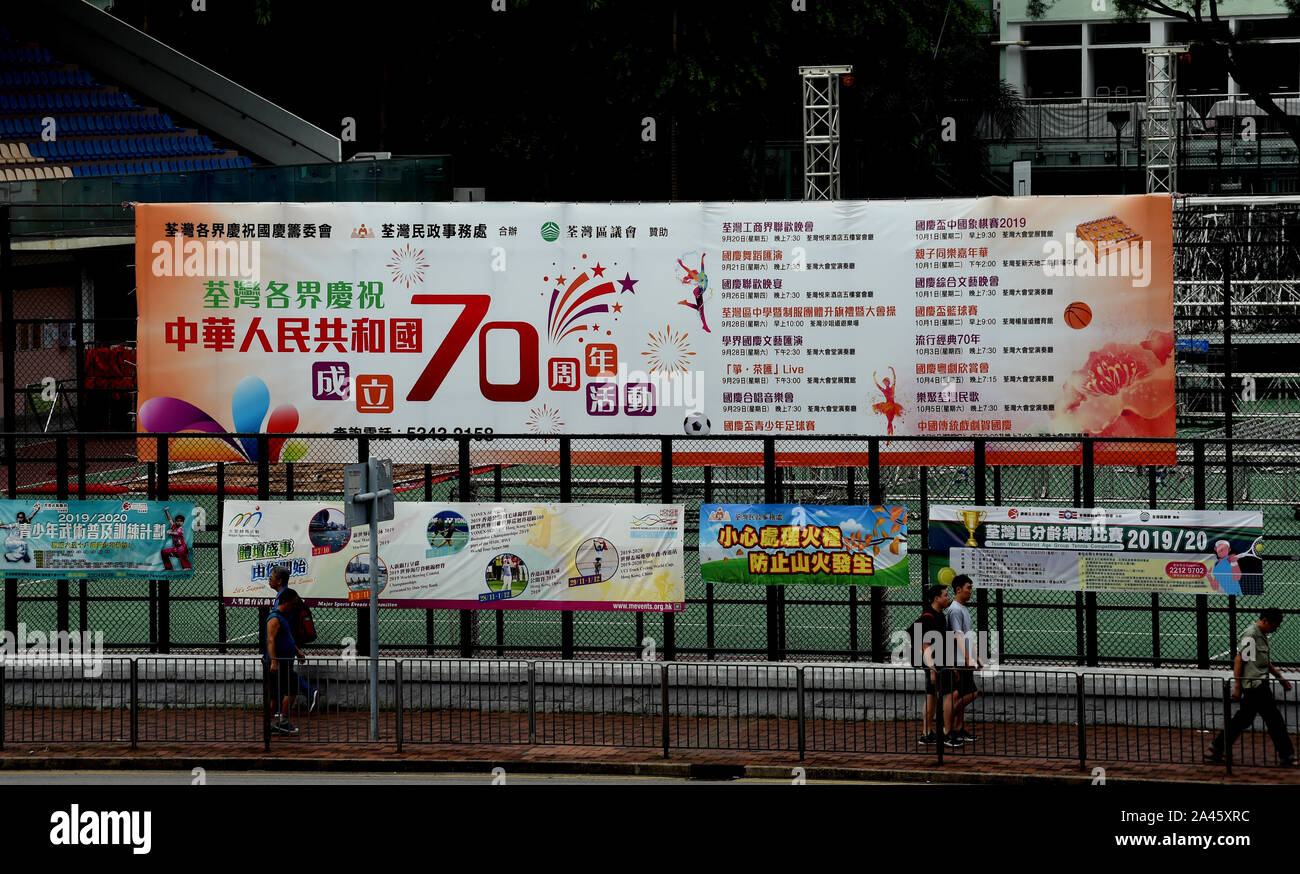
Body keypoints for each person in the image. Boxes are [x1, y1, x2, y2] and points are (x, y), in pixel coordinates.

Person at [1206, 608, 1297, 766]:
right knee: (1274, 720)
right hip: (1255, 686)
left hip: (1257, 684)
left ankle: (1218, 746)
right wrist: (1237, 687)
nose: (1274, 629)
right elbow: (1239, 660)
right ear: (1265, 620)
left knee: (1243, 719)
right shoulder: (1251, 635)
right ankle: (1287, 755)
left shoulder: (1261, 635)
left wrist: (1279, 677)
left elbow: (1263, 661)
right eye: (1274, 625)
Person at [267, 565, 321, 714]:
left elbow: (284, 629)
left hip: (283, 647)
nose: (269, 580)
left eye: (271, 577)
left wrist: (293, 649)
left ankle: (307, 693)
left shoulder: (285, 600)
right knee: (285, 677)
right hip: (287, 645)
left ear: (279, 581)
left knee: (285, 678)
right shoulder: (286, 596)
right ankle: (280, 711)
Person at [914, 584, 961, 748]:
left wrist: (951, 665)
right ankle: (941, 733)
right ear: (936, 598)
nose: (948, 598)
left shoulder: (940, 616)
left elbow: (945, 643)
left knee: (933, 696)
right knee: (944, 694)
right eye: (945, 595)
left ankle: (928, 733)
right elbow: (925, 644)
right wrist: (932, 668)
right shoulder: (929, 617)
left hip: (941, 662)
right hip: (934, 663)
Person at [265, 586, 309, 735]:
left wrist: (297, 651)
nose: (294, 606)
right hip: (279, 663)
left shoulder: (283, 618)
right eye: (293, 603)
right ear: (285, 602)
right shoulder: (274, 619)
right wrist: (274, 662)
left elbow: (287, 639)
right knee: (289, 691)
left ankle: (273, 724)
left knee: (278, 694)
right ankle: (281, 721)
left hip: (284, 661)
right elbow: (270, 641)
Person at [946, 574, 981, 743]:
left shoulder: (963, 608)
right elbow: (957, 636)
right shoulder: (955, 610)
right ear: (958, 589)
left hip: (964, 659)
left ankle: (958, 728)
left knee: (963, 694)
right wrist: (968, 658)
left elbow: (968, 636)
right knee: (970, 693)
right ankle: (946, 720)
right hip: (958, 659)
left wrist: (976, 656)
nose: (971, 591)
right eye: (969, 588)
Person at [872, 367, 904, 438]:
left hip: (892, 406)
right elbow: (877, 385)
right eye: (884, 382)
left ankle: (889, 436)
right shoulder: (884, 390)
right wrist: (874, 377)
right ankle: (890, 436)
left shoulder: (892, 387)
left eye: (886, 382)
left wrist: (893, 370)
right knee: (889, 421)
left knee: (890, 421)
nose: (886, 383)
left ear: (889, 382)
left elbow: (894, 379)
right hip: (887, 407)